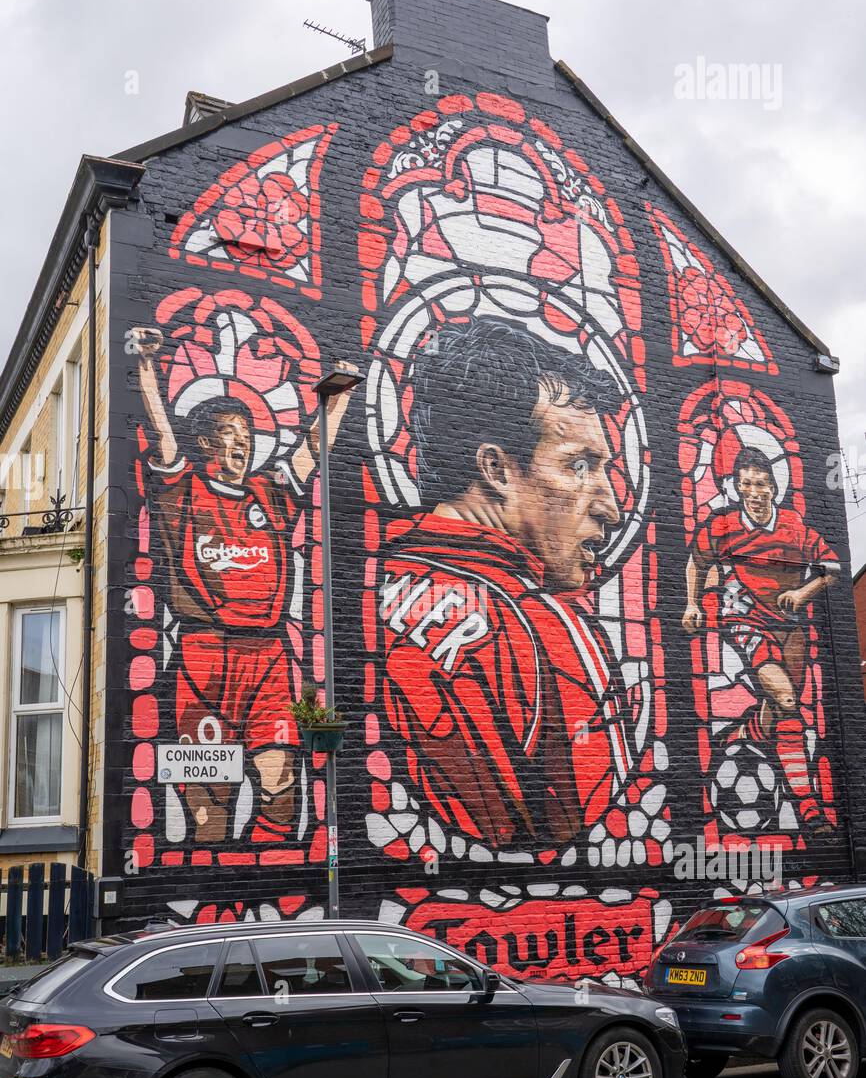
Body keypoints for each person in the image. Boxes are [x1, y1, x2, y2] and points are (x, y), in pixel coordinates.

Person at [378, 316, 636, 853]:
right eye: (579, 465)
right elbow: (585, 829)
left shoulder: (363, 584)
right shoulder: (540, 625)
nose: (610, 507)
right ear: (495, 470)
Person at [131, 326, 356, 846]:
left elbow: (313, 448)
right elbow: (161, 432)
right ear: (206, 441)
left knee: (280, 780)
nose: (241, 443)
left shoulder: (271, 491)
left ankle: (271, 867)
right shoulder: (179, 489)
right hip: (202, 654)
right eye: (228, 434)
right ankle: (218, 888)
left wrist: (338, 398)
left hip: (269, 655)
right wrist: (145, 364)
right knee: (210, 799)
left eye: (246, 434)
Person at [682, 445, 839, 832]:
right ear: (736, 486)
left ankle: (743, 733)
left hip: (789, 624)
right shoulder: (723, 524)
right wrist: (692, 605)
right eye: (746, 483)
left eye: (761, 484)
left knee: (780, 709)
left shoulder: (792, 524)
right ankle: (809, 807)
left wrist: (802, 594)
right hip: (746, 620)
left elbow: (832, 568)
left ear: (774, 487)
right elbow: (696, 562)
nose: (754, 491)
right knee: (787, 699)